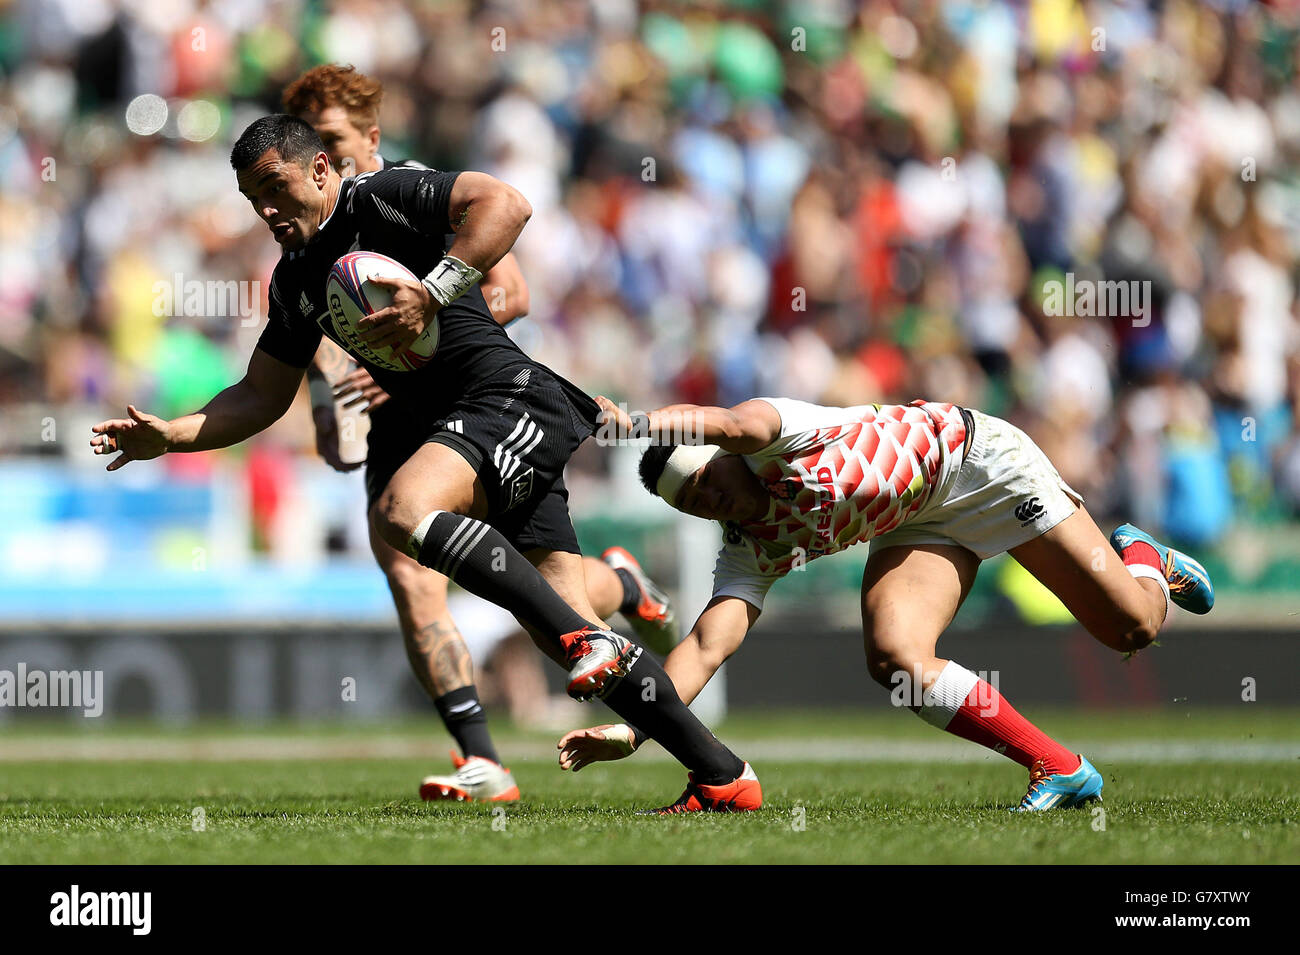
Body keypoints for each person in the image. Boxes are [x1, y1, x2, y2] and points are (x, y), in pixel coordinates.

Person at [89, 114, 760, 814]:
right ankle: (721, 772)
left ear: (320, 169)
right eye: (251, 196)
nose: (264, 208)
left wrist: (434, 290)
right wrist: (172, 433)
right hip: (477, 424)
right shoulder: (294, 282)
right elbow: (260, 395)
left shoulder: (380, 195)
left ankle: (589, 642)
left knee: (404, 510)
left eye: (275, 186)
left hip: (508, 399)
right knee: (557, 626)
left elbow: (508, 203)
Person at [281, 64, 676, 802]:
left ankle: (620, 583)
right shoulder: (308, 237)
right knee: (410, 580)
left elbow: (512, 291)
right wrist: (326, 401)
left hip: (467, 399)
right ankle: (481, 760)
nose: (321, 157)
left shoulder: (416, 192)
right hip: (392, 418)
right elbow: (310, 328)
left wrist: (413, 335)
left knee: (528, 594)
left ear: (368, 137)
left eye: (332, 138)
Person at [558, 395, 1214, 811]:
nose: (710, 501)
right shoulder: (749, 545)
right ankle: (1059, 766)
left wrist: (636, 425)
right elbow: (706, 644)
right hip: (920, 519)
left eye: (705, 481)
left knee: (1134, 627)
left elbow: (733, 420)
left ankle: (1143, 558)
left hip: (979, 463)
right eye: (692, 503)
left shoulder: (773, 435)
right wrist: (634, 729)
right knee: (896, 657)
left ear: (726, 455)